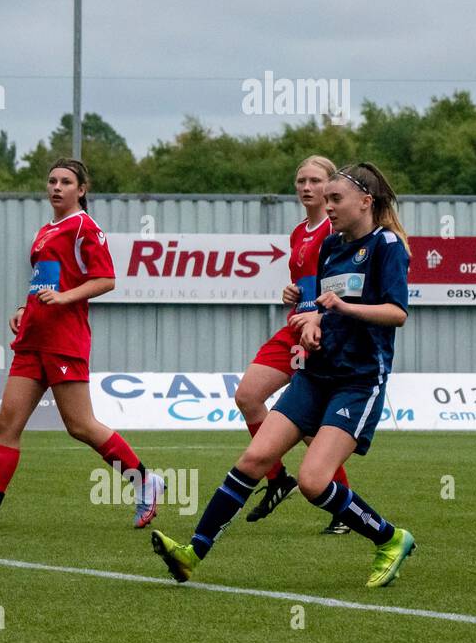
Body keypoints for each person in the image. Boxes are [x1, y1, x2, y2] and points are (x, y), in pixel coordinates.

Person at [152, 162, 416, 589]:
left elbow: (397, 313)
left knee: (313, 482)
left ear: (366, 202)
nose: (327, 206)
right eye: (324, 198)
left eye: (335, 199)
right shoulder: (330, 246)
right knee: (255, 458)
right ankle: (191, 553)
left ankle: (390, 537)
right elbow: (318, 304)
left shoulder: (387, 245)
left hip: (358, 381)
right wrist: (311, 322)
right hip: (314, 375)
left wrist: (345, 308)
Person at [0, 159, 163, 529]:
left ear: (82, 189)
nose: (56, 187)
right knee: (7, 425)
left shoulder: (84, 227)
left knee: (80, 425)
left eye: (65, 181)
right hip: (32, 340)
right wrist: (22, 308)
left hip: (64, 341)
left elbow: (106, 279)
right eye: (52, 181)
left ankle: (145, 481)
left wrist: (64, 298)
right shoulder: (46, 231)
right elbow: (43, 283)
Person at [237, 155, 351, 533]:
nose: (306, 187)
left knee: (305, 424)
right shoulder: (300, 231)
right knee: (248, 395)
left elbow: (341, 284)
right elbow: (307, 283)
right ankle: (277, 478)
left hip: (318, 332)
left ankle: (342, 508)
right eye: (300, 180)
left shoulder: (337, 232)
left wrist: (318, 312)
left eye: (315, 181)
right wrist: (293, 291)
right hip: (293, 327)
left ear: (331, 186)